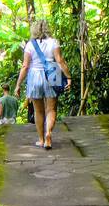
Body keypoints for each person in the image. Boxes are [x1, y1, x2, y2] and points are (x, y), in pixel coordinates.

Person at [14, 19, 71, 150]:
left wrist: (18, 85)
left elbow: (25, 66)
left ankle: (41, 140)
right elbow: (60, 61)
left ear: (33, 30)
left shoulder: (29, 45)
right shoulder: (54, 42)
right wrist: (68, 77)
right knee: (51, 109)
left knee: (38, 111)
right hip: (52, 73)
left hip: (34, 76)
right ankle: (48, 133)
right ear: (47, 28)